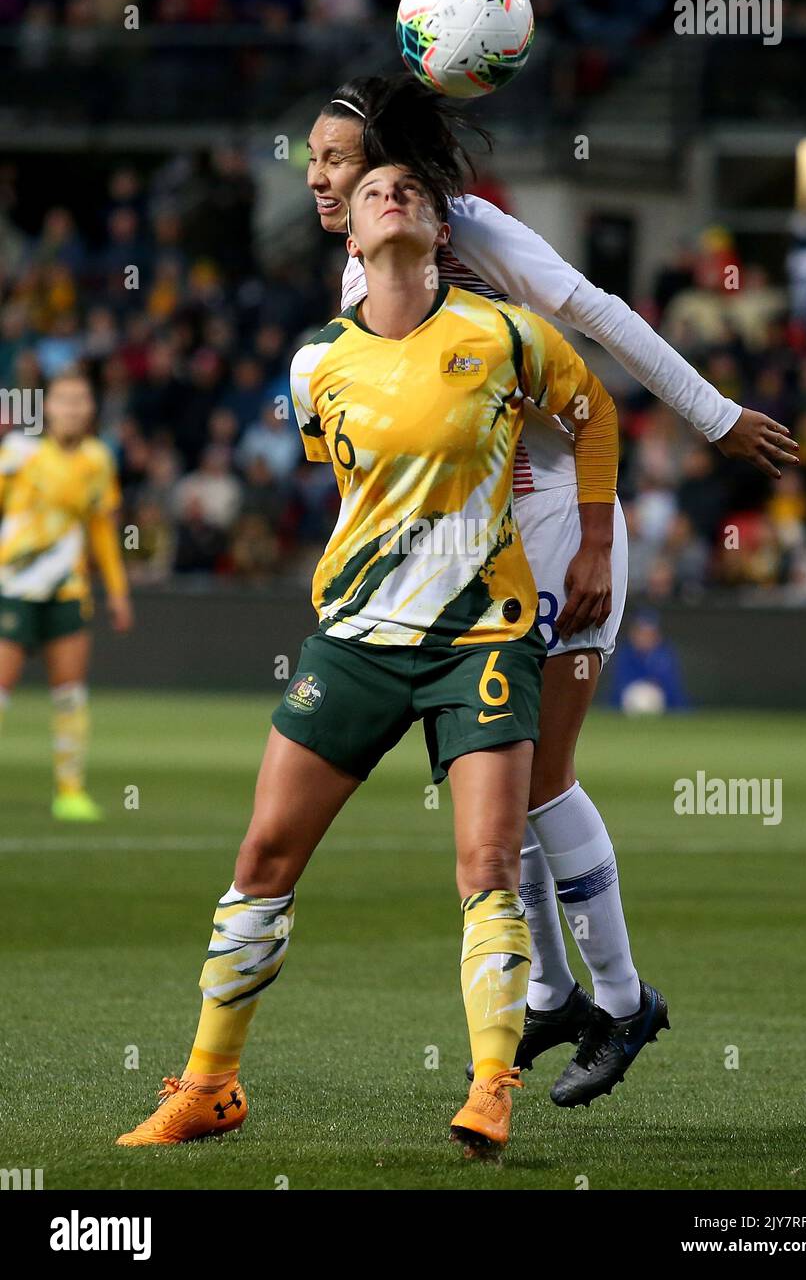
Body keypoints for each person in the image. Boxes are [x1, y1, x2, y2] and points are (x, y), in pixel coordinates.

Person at [305, 75, 798, 1107]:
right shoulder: (367, 281)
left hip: (565, 527)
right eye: (313, 160)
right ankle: (549, 994)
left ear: (395, 172)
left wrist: (710, 418)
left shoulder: (469, 233)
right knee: (498, 778)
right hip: (482, 557)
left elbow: (591, 316)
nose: (317, 175)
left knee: (539, 782)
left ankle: (620, 1000)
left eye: (336, 158)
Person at [116, 162, 619, 1155]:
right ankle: (210, 1086)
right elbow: (347, 483)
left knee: (484, 862)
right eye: (371, 190)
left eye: (411, 191)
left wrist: (594, 540)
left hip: (483, 634)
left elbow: (592, 411)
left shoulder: (507, 334)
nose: (389, 195)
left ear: (438, 231)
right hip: (352, 639)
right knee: (263, 856)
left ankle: (488, 1086)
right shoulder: (314, 365)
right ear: (350, 241)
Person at [0, 368, 132, 820]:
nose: (72, 408)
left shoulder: (98, 459)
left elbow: (101, 528)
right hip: (12, 586)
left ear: (91, 409)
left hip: (68, 590)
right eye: (63, 400)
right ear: (47, 407)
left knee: (71, 694)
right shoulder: (18, 452)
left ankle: (70, 791)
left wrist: (117, 591)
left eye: (80, 400)